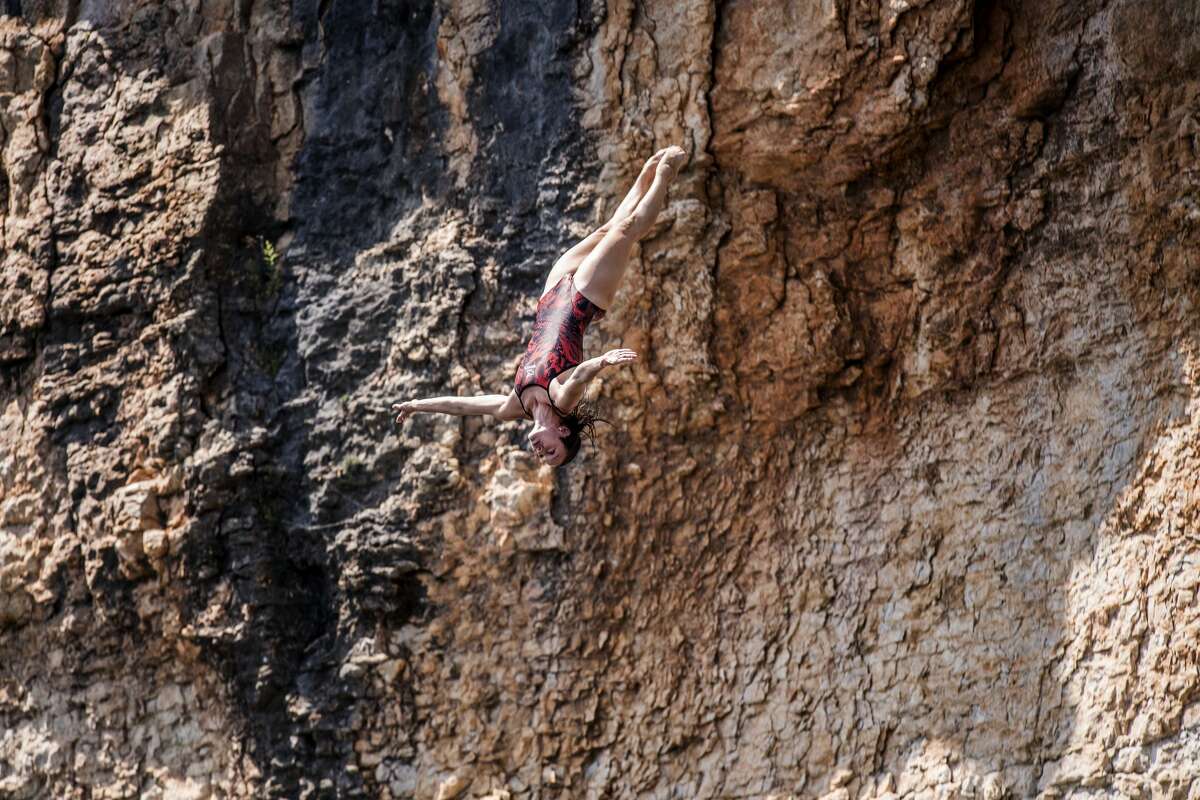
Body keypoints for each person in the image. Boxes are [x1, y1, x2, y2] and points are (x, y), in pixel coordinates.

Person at [392, 145, 688, 466]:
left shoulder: (513, 407)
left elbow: (464, 406)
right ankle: (665, 174)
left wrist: (418, 405)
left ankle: (646, 173)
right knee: (625, 230)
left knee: (607, 230)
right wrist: (603, 361)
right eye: (551, 451)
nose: (540, 451)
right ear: (562, 431)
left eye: (541, 456)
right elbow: (579, 377)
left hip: (551, 295)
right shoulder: (560, 401)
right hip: (583, 300)